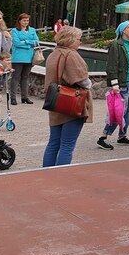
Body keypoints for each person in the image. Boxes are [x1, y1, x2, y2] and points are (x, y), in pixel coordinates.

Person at [42, 26, 93, 167]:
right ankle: (61, 175)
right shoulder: (71, 55)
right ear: (70, 39)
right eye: (78, 39)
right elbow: (82, 80)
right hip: (72, 103)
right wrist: (89, 84)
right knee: (67, 145)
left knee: (53, 143)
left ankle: (46, 173)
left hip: (55, 102)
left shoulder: (53, 54)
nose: (80, 42)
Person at [98, 21, 129, 150]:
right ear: (123, 30)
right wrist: (114, 83)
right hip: (123, 83)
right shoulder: (116, 45)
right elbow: (111, 66)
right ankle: (103, 137)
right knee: (119, 111)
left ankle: (122, 135)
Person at [10, 13, 39, 105]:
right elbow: (16, 43)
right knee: (15, 77)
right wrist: (29, 44)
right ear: (19, 21)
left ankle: (25, 97)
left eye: (27, 20)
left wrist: (25, 41)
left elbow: (36, 42)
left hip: (29, 57)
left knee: (25, 77)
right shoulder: (14, 31)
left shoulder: (32, 30)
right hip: (18, 58)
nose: (26, 22)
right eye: (24, 20)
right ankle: (13, 98)